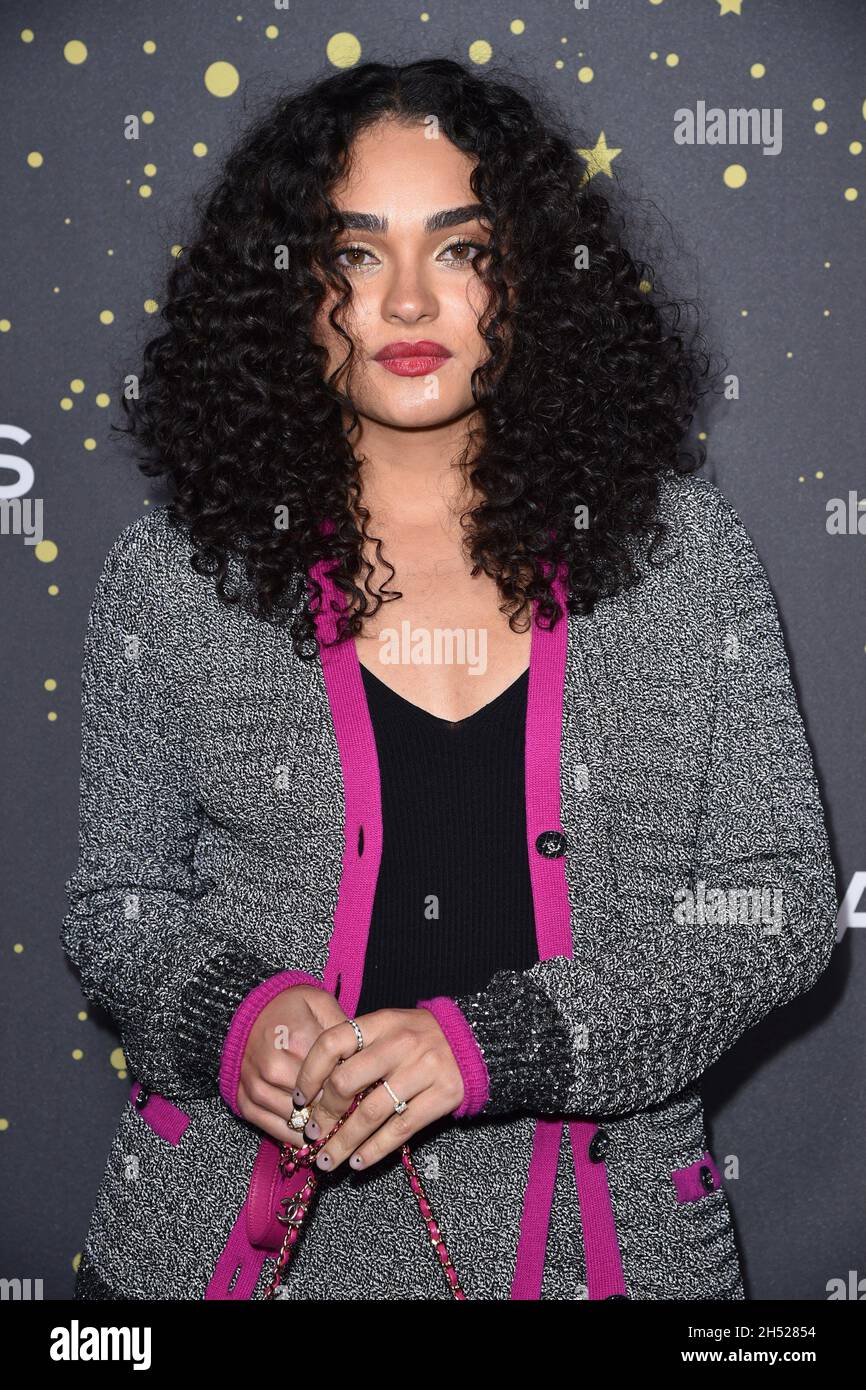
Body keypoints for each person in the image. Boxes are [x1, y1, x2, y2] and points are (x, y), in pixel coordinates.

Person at [63, 58, 837, 1301]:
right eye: (356, 253)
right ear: (288, 289)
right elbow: (120, 905)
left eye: (460, 248)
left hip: (608, 1249)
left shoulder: (681, 556)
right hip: (217, 1249)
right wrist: (234, 1016)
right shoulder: (175, 575)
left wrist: (503, 1041)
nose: (410, 298)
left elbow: (779, 902)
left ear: (526, 277)